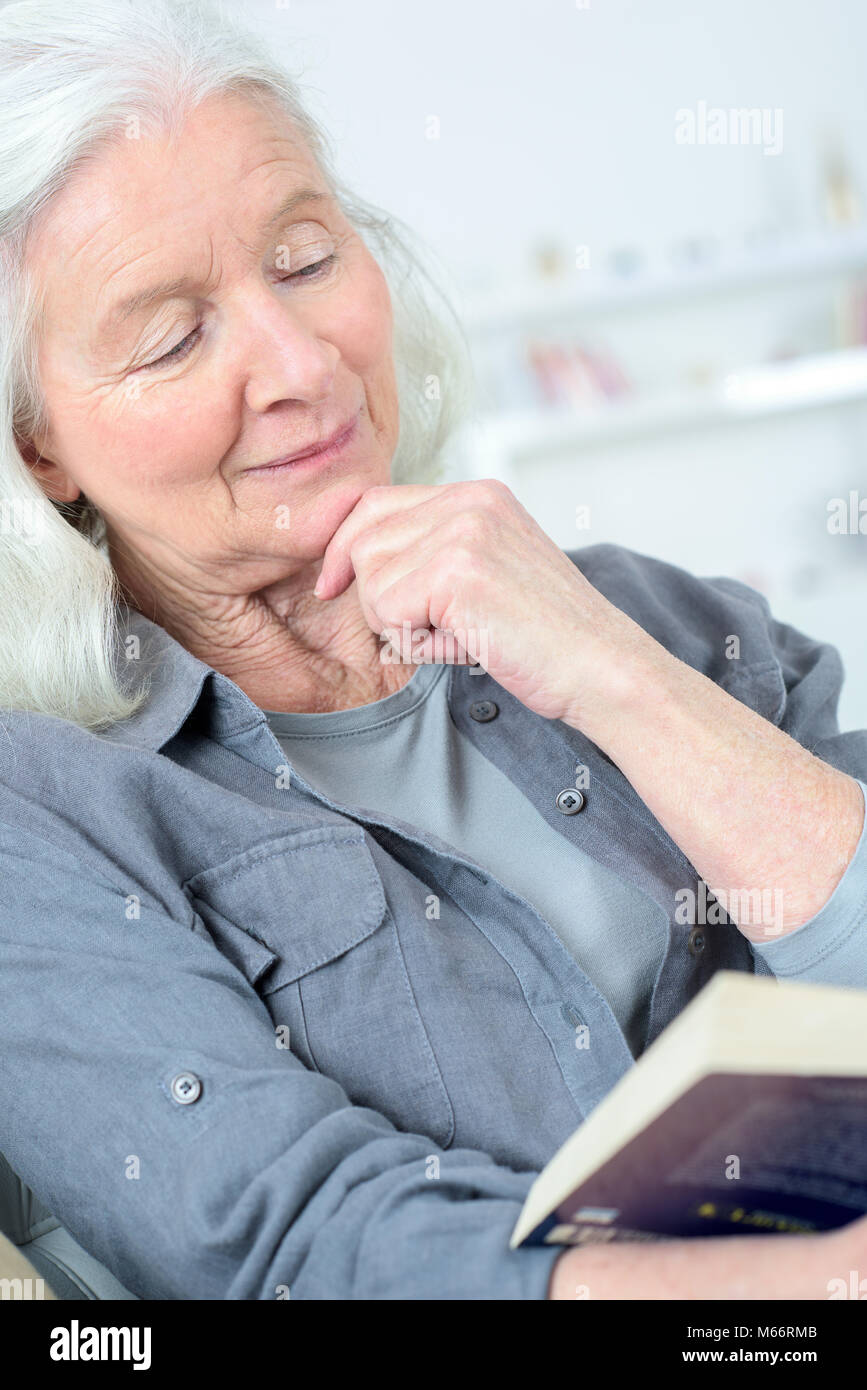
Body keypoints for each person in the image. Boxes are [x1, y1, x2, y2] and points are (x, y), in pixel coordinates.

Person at [0, 0, 865, 1301]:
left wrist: (612, 667)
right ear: (39, 446)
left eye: (305, 259)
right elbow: (295, 1241)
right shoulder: (44, 814)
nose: (302, 363)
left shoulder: (675, 622)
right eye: (174, 337)